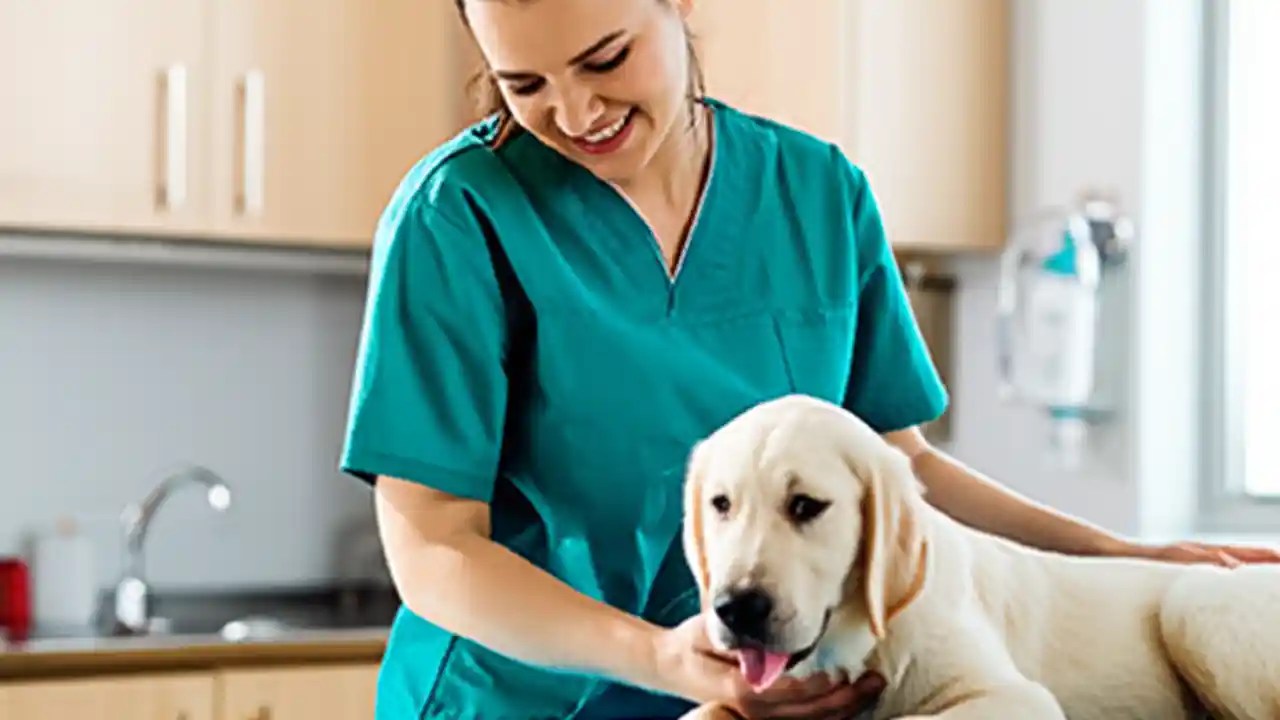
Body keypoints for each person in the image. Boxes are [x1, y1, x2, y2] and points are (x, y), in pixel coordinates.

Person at [339, 0, 1280, 717]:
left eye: (607, 58)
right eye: (524, 86)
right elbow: (433, 546)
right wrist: (660, 656)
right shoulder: (456, 216)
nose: (577, 111)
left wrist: (1125, 560)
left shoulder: (818, 192)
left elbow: (898, 467)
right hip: (516, 700)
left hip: (768, 698)